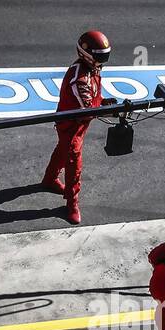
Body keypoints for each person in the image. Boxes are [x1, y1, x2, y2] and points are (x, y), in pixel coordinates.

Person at [42, 31, 112, 225]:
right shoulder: (79, 78)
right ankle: (72, 202)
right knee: (74, 160)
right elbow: (88, 109)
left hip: (80, 122)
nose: (103, 61)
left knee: (62, 150)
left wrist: (105, 102)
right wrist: (110, 110)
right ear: (87, 54)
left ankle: (49, 179)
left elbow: (94, 98)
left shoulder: (93, 69)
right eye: (100, 57)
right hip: (70, 124)